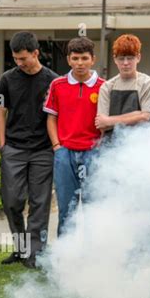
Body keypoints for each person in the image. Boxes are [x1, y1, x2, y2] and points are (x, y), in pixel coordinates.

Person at [0, 31, 58, 268]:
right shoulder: (7, 79)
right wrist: (3, 145)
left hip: (43, 150)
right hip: (14, 148)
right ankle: (21, 248)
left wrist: (54, 145)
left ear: (36, 53)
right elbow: (0, 111)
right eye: (16, 59)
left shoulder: (53, 81)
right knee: (12, 201)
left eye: (23, 59)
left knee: (40, 203)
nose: (19, 63)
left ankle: (34, 253)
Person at [44, 37, 105, 235]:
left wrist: (100, 145)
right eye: (76, 58)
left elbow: (106, 121)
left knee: (93, 207)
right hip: (65, 153)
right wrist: (56, 146)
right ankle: (65, 258)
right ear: (69, 59)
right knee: (66, 208)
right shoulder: (58, 85)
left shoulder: (104, 87)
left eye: (84, 58)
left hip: (93, 153)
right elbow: (51, 118)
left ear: (93, 59)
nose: (80, 63)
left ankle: (91, 254)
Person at [95, 34, 150, 143]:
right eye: (121, 58)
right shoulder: (107, 87)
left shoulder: (148, 84)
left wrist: (109, 120)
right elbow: (102, 125)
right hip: (110, 147)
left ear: (138, 57)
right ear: (115, 59)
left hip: (139, 145)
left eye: (130, 58)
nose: (126, 63)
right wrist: (137, 115)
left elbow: (146, 118)